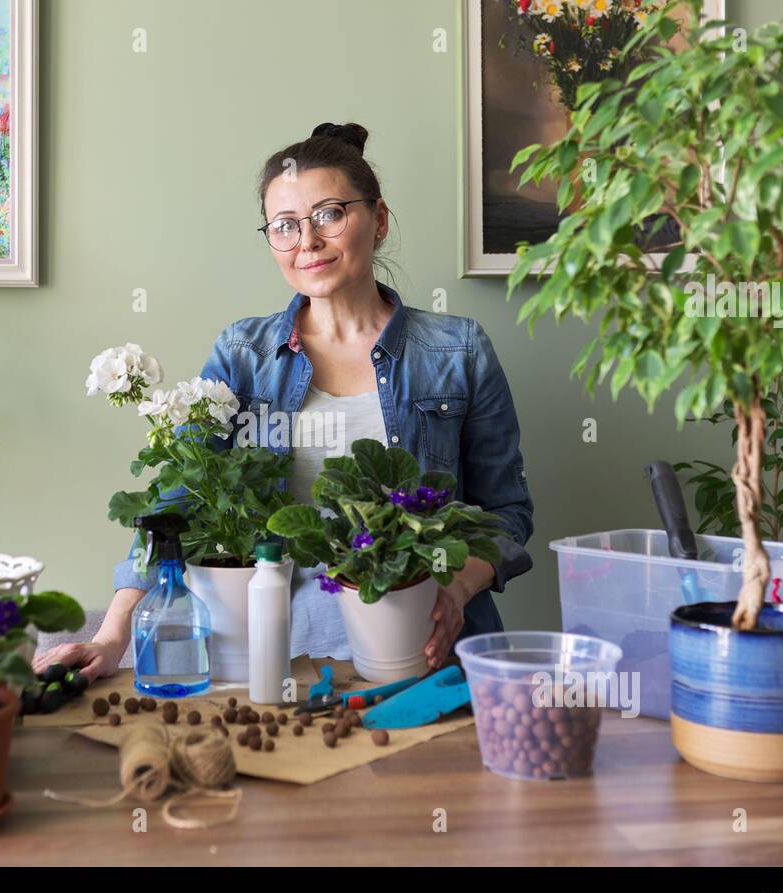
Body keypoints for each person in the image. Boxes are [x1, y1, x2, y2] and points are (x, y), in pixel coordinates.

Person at [34, 121, 534, 683]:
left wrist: (454, 587)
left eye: (329, 214)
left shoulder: (457, 349)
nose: (308, 243)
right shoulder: (244, 354)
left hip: (430, 649)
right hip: (278, 657)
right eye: (285, 226)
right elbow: (174, 500)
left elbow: (506, 512)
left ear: (379, 219)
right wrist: (111, 635)